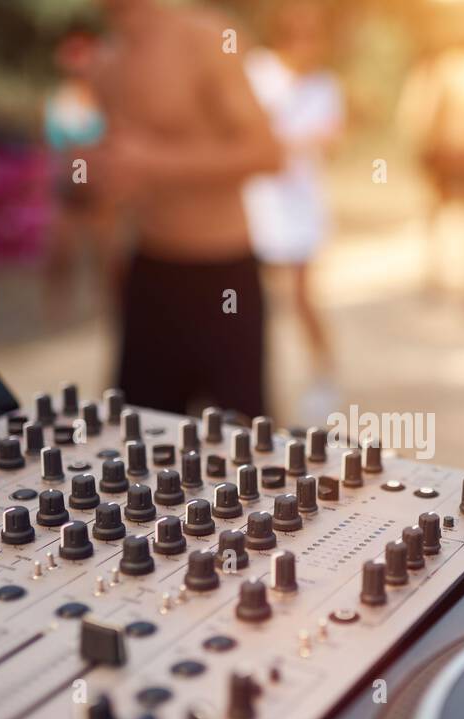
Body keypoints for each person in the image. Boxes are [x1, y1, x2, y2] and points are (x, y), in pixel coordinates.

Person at [93, 0, 282, 418]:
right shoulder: (106, 59)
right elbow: (121, 173)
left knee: (247, 450)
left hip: (222, 274)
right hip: (149, 273)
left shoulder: (206, 37)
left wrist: (156, 161)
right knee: (136, 445)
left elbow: (268, 153)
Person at [242, 0, 341, 378]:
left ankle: (323, 371)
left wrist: (281, 142)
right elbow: (249, 132)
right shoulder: (257, 71)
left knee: (302, 298)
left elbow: (330, 140)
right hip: (258, 204)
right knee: (255, 303)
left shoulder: (324, 83)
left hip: (302, 203)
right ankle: (258, 379)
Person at [396, 37, 464, 298]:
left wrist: (421, 149)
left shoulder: (440, 68)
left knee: (436, 210)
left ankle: (436, 271)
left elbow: (424, 112)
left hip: (445, 148)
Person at [43, 21, 116, 328]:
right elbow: (56, 148)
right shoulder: (59, 100)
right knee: (62, 254)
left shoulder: (108, 99)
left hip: (101, 190)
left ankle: (108, 310)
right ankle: (58, 313)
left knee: (107, 257)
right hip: (69, 189)